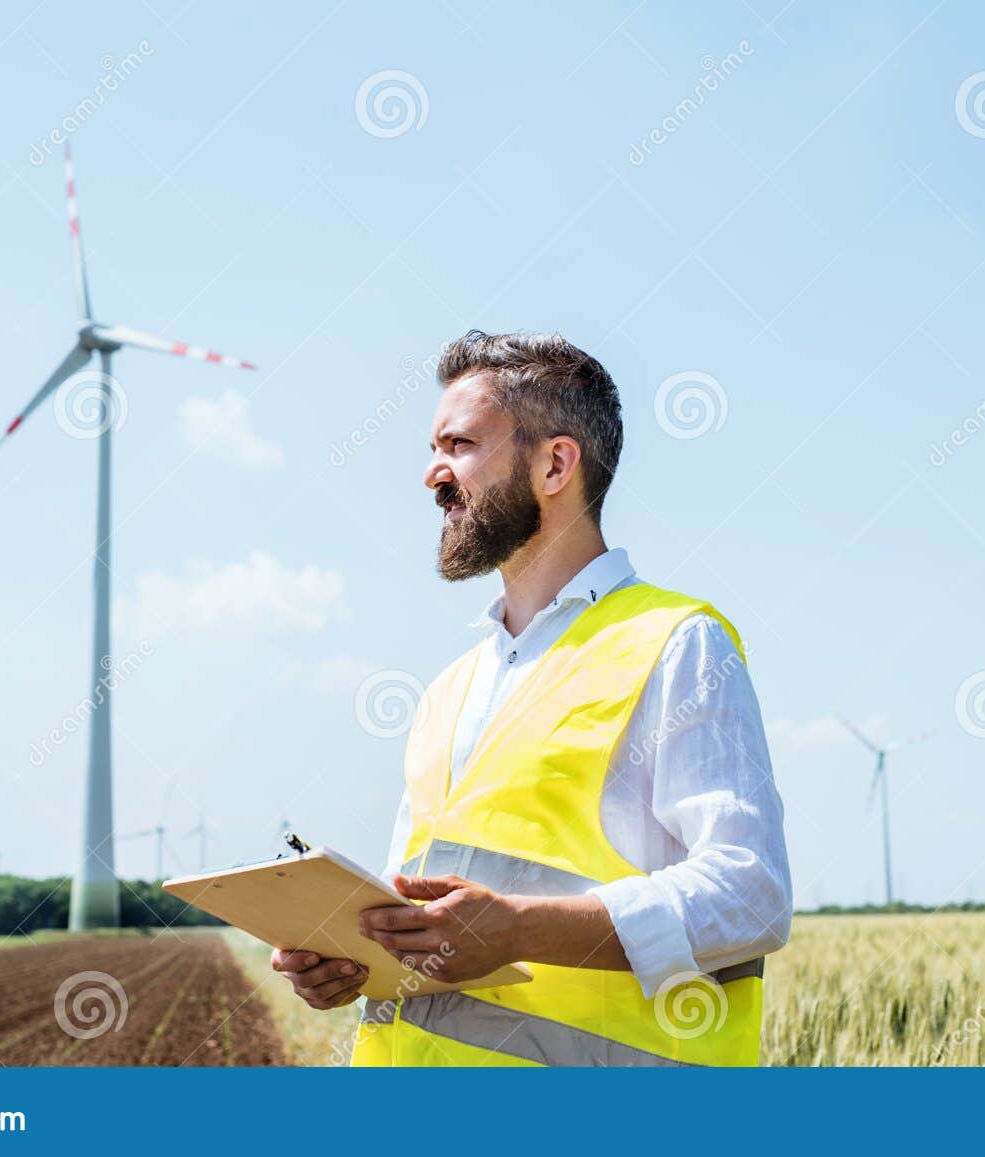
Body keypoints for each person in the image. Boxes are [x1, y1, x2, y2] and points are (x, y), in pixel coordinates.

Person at [272, 330, 791, 1066]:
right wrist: (349, 962)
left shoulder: (677, 643)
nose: (431, 474)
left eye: (459, 444)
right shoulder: (446, 692)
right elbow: (423, 923)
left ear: (554, 464)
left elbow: (751, 892)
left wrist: (519, 928)